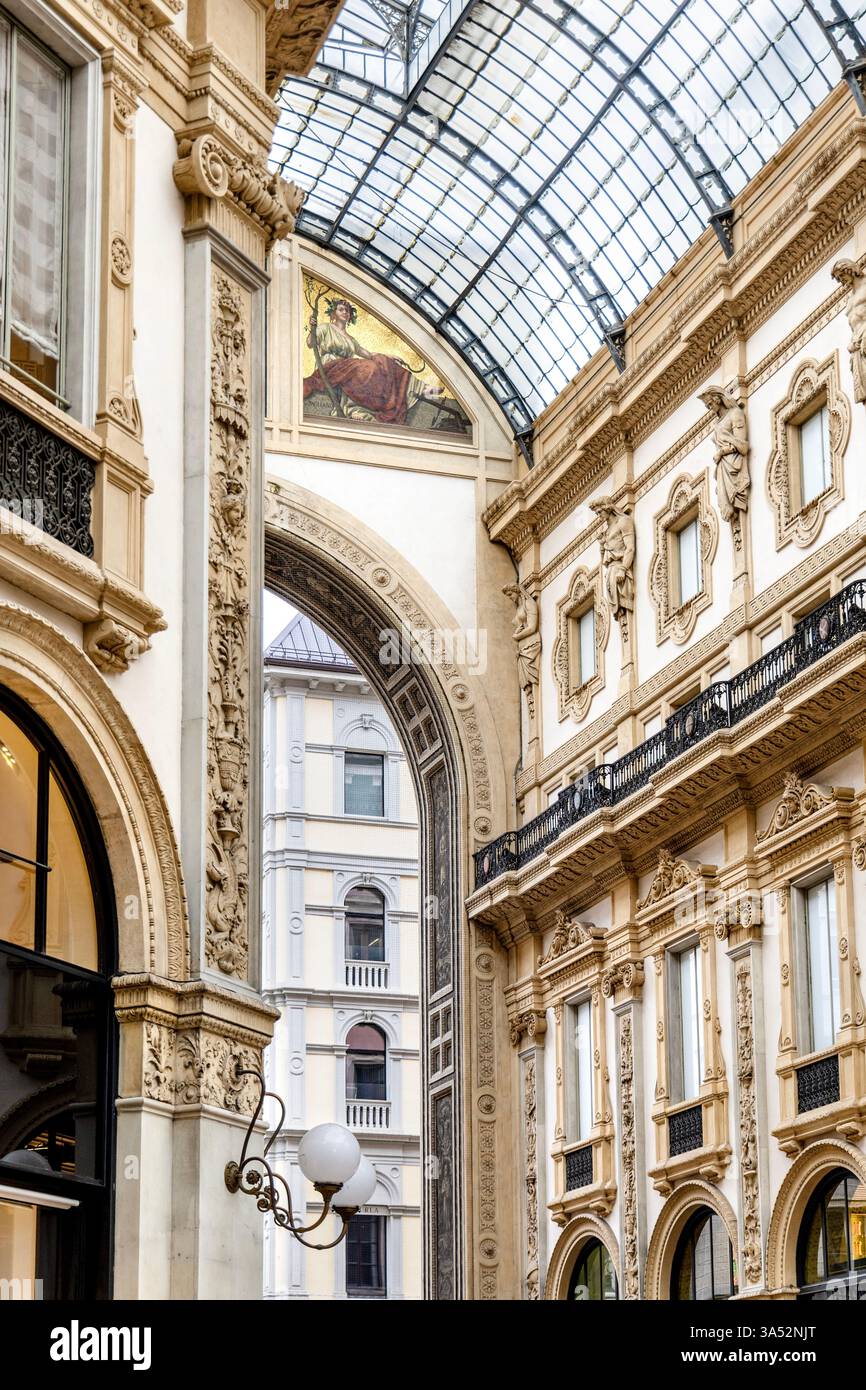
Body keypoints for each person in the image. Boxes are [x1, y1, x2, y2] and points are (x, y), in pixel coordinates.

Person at [304, 296, 450, 425]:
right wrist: (313, 327)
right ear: (333, 314)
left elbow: (365, 353)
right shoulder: (325, 328)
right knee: (367, 367)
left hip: (347, 367)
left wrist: (388, 357)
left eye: (347, 310)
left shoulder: (350, 339)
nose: (345, 312)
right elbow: (310, 343)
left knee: (382, 362)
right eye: (341, 309)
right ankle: (353, 409)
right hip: (330, 366)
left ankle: (421, 388)